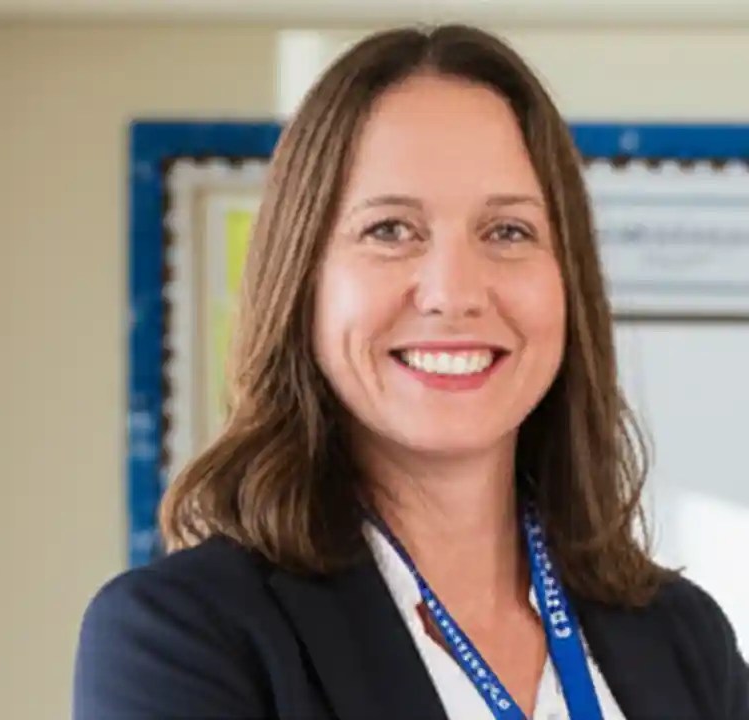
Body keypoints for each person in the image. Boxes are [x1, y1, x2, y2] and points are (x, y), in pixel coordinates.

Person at [74, 24, 749, 720]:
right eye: (391, 230)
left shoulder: (683, 639)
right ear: (303, 281)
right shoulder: (185, 635)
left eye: (507, 232)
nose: (454, 291)